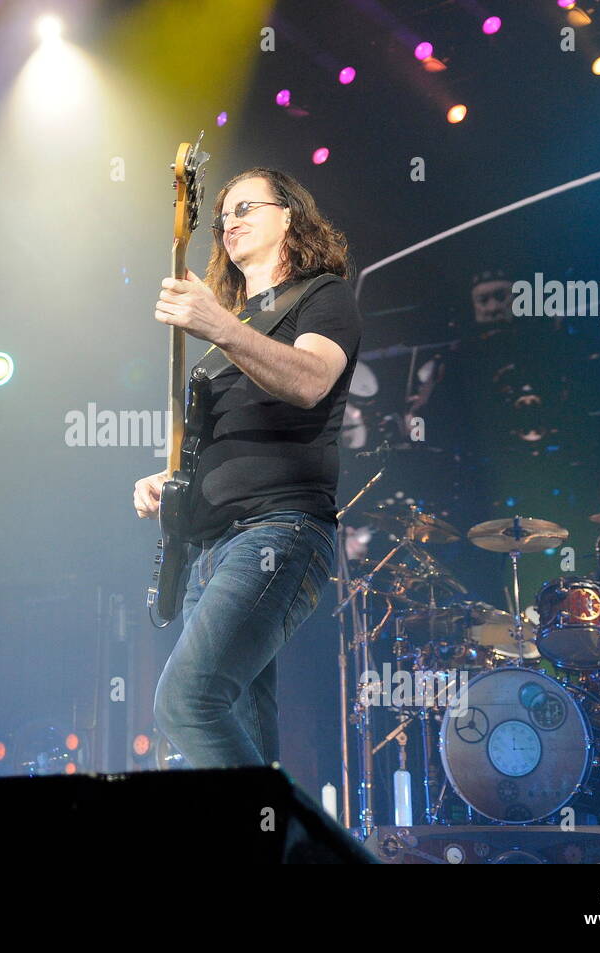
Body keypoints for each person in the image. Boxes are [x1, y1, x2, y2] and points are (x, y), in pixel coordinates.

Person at [132, 168, 360, 768]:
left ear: (289, 215)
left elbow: (310, 381)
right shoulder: (227, 336)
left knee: (187, 704)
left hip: (277, 531)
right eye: (222, 215)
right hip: (211, 546)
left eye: (245, 208)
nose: (229, 221)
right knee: (240, 728)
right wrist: (173, 478)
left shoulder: (323, 297)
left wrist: (222, 327)